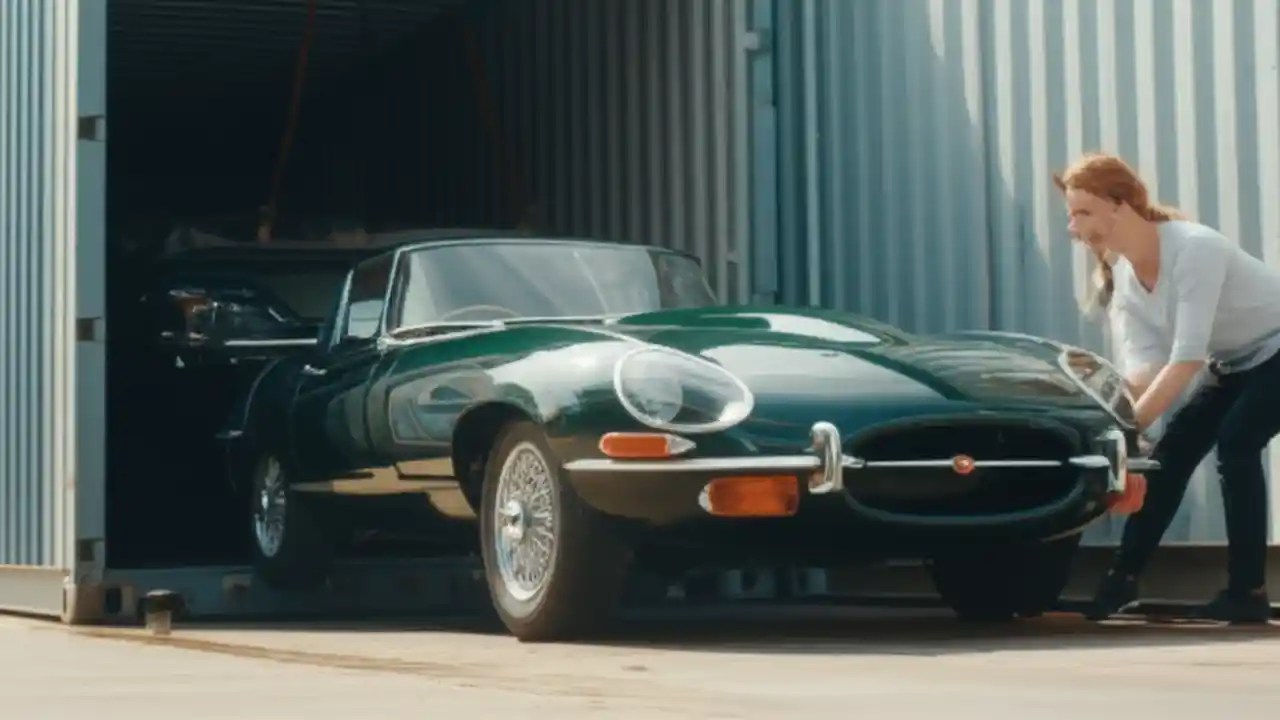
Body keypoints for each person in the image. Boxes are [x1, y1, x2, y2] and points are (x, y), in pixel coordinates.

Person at [1054, 151, 1280, 623]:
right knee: (1168, 457)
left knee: (1237, 443)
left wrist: (1130, 433)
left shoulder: (1194, 249)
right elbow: (1141, 375)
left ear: (1120, 204)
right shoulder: (1127, 284)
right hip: (1237, 362)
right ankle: (1120, 583)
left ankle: (1248, 592)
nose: (1073, 228)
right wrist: (1121, 442)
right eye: (1071, 215)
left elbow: (1186, 359)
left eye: (1082, 212)